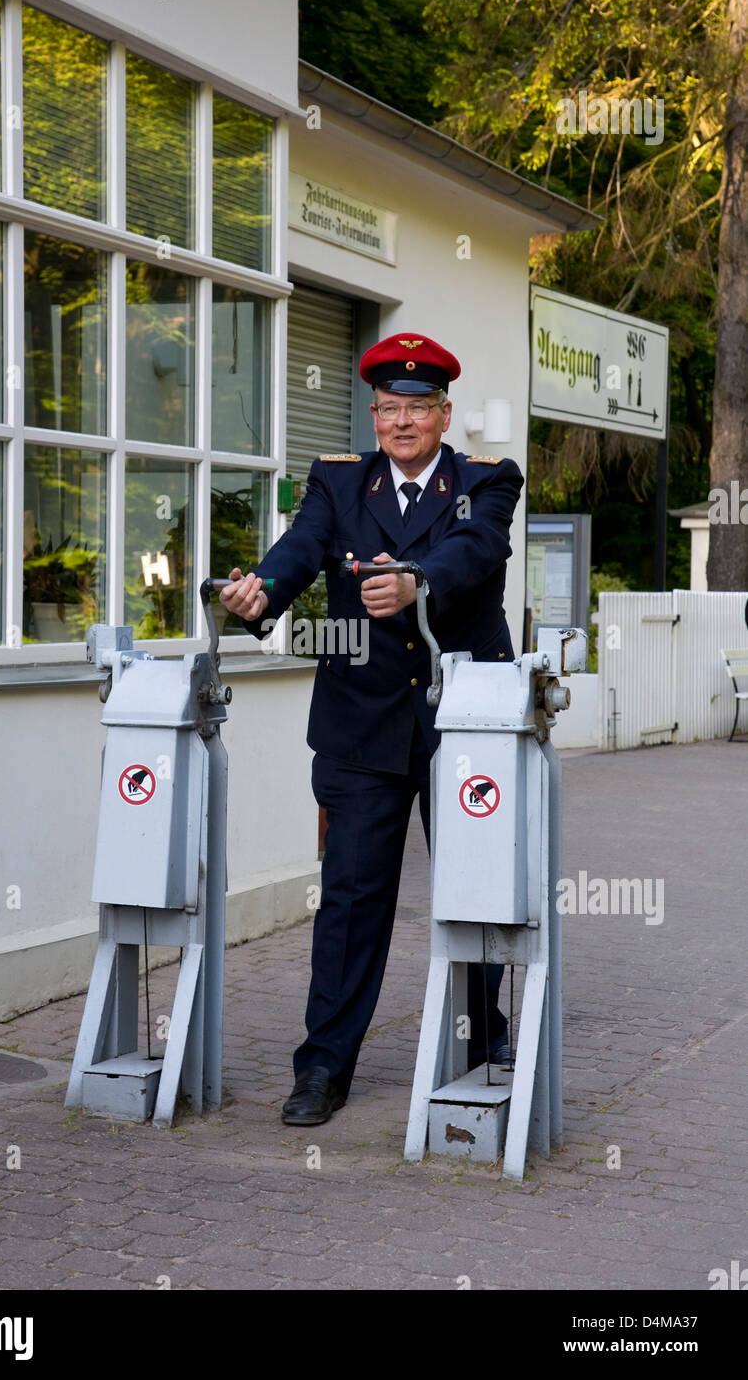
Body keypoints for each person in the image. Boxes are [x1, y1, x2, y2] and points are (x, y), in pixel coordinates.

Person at [220, 332, 524, 1126]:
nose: (399, 422)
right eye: (387, 407)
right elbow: (299, 548)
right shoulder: (337, 481)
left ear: (443, 414)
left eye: (416, 408)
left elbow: (476, 548)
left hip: (468, 724)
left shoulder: (488, 482)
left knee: (480, 890)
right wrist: (264, 593)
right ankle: (323, 1067)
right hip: (361, 727)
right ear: (375, 413)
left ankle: (480, 1043)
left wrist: (418, 581)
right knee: (351, 899)